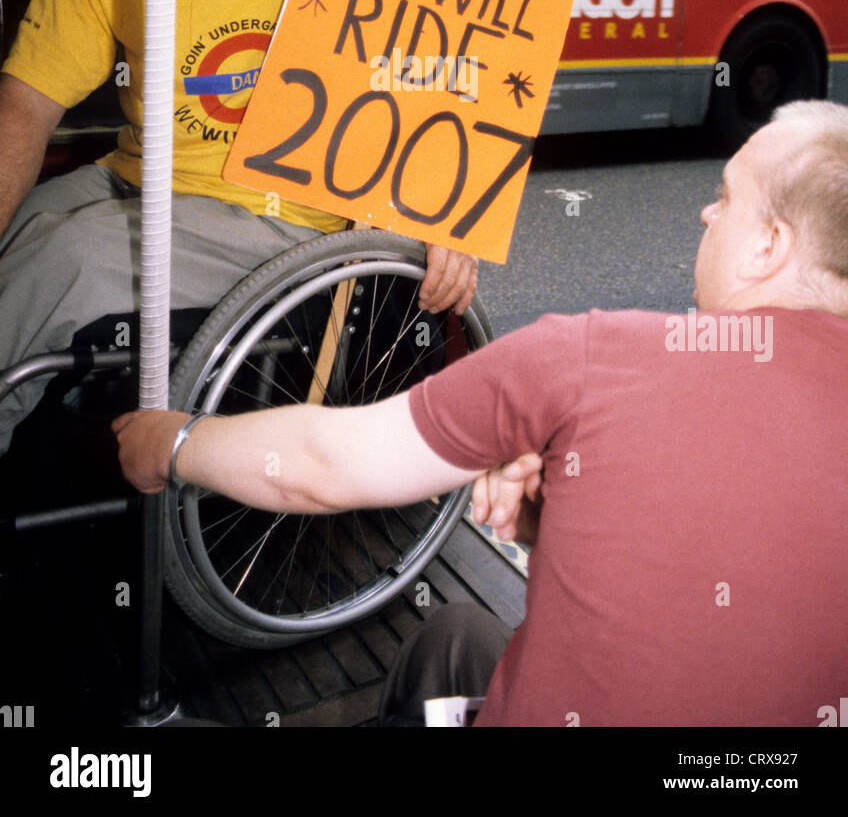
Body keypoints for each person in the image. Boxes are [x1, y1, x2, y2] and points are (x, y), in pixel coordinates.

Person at [115, 99, 848, 726]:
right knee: (462, 635)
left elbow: (323, 465)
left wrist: (174, 441)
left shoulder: (594, 356)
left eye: (725, 196)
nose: (705, 210)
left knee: (449, 640)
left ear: (767, 246)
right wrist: (553, 514)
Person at [0, 0, 477, 454]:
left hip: (292, 213)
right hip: (145, 175)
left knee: (63, 262)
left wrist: (446, 214)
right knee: (27, 225)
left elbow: (449, 71)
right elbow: (28, 98)